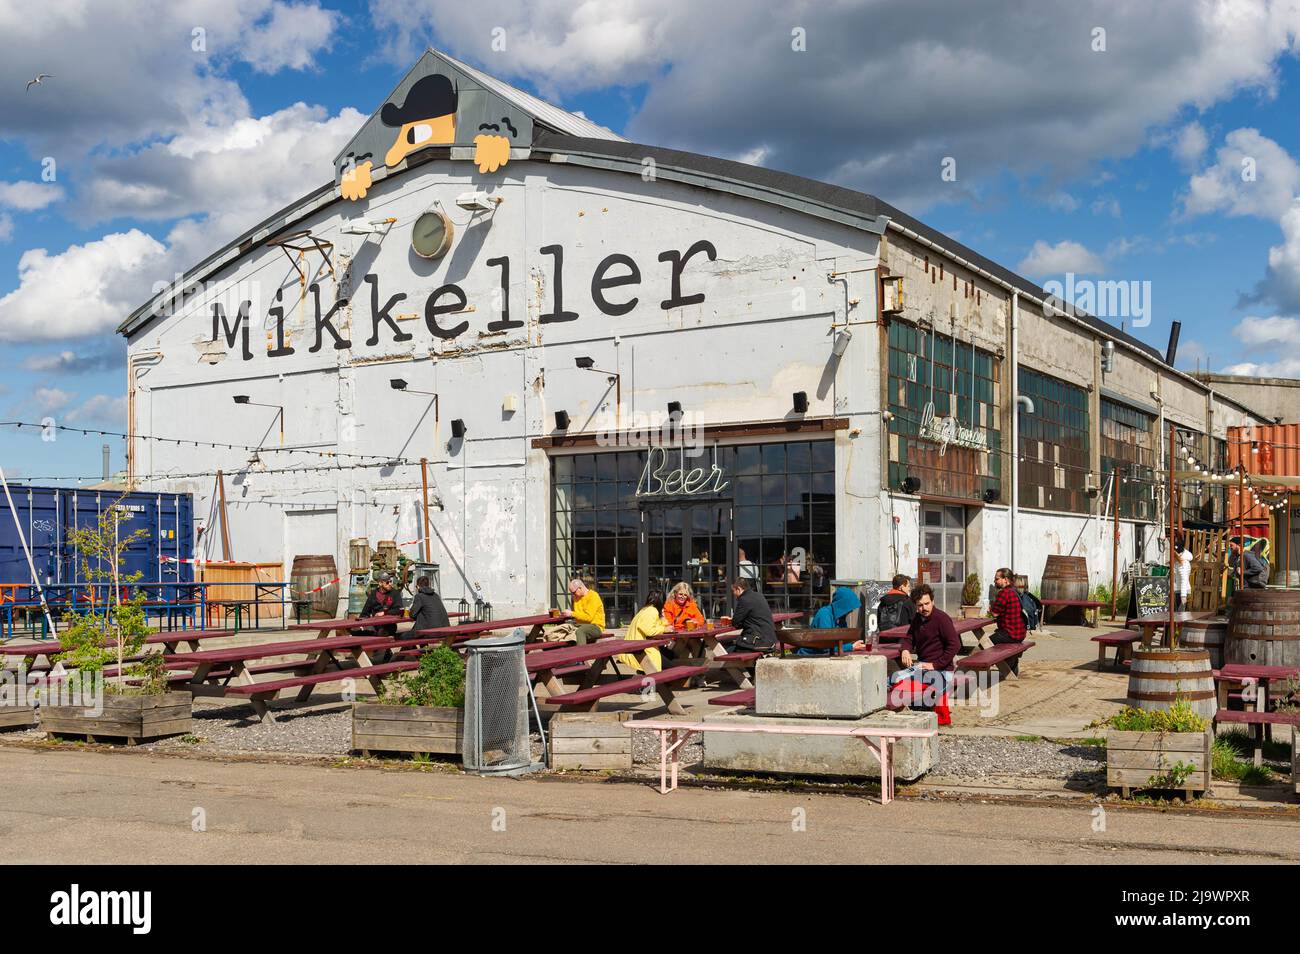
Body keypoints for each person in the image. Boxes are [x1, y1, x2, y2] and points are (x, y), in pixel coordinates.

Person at [892, 583, 960, 707]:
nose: (924, 608)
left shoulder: (942, 618)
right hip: (922, 667)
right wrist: (905, 650)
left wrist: (935, 665)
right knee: (892, 679)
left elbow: (955, 645)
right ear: (915, 606)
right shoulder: (917, 619)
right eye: (920, 605)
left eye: (927, 603)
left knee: (905, 682)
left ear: (933, 601)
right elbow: (909, 638)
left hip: (942, 670)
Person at [615, 589, 669, 673]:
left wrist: (662, 618)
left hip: (637, 647)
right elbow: (649, 631)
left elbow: (655, 626)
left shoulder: (645, 609)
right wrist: (664, 629)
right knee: (670, 661)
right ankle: (688, 680)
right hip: (640, 650)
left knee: (670, 655)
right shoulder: (652, 611)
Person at [987, 567, 1027, 675]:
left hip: (1010, 633)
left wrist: (990, 609)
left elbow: (995, 613)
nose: (994, 581)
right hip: (1020, 633)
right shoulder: (1015, 591)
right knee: (996, 639)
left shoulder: (1004, 593)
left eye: (997, 579)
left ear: (1005, 579)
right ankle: (1012, 667)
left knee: (985, 644)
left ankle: (981, 671)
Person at [802, 584, 860, 654]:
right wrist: (851, 647)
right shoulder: (824, 615)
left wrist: (853, 642)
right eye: (849, 608)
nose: (851, 611)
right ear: (842, 605)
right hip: (810, 656)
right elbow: (825, 647)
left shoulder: (840, 618)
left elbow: (844, 640)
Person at [729, 577, 777, 652]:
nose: (734, 594)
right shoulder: (759, 595)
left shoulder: (744, 600)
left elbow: (735, 623)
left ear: (738, 589)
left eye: (733, 591)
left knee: (728, 651)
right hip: (771, 639)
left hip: (759, 642)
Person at [567, 577, 606, 644]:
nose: (573, 594)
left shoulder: (593, 596)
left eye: (573, 592)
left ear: (580, 588)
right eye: (571, 593)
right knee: (563, 630)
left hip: (595, 626)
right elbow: (579, 615)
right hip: (580, 625)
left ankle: (581, 653)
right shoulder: (576, 598)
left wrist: (572, 614)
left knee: (580, 631)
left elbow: (588, 618)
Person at [1173, 536, 1193, 610]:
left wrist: (1183, 596)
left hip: (1182, 591)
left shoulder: (1183, 564)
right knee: (1179, 615)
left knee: (1180, 615)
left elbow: (1184, 580)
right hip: (1179, 590)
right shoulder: (1178, 562)